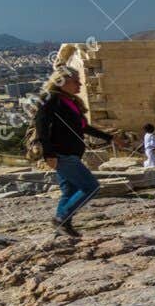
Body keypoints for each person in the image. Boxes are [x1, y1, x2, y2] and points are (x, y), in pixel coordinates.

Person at [35, 66, 114, 238]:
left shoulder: (70, 101)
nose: (80, 84)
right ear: (62, 82)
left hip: (72, 154)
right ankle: (61, 218)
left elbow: (84, 127)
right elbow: (41, 127)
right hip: (61, 154)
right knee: (91, 187)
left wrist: (110, 138)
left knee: (69, 191)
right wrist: (48, 154)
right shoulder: (50, 100)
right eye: (75, 81)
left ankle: (63, 226)